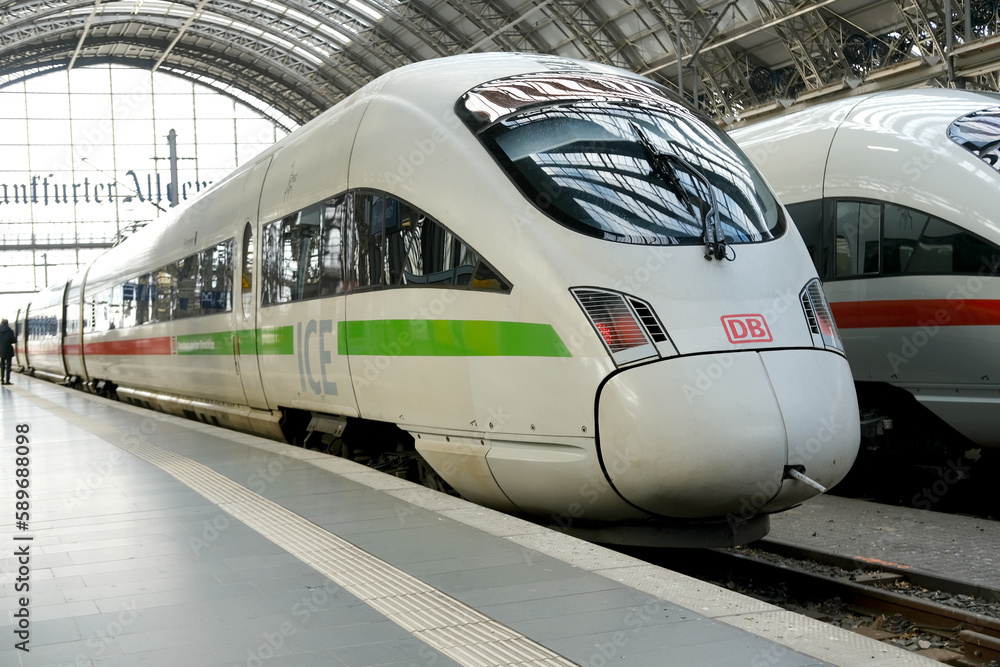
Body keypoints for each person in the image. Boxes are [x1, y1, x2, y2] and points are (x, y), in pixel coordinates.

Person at [0, 318, 15, 385]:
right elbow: (13, 340)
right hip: (8, 350)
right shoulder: (10, 331)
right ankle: (7, 380)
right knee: (8, 365)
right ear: (7, 323)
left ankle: (2, 379)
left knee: (2, 365)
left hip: (1, 350)